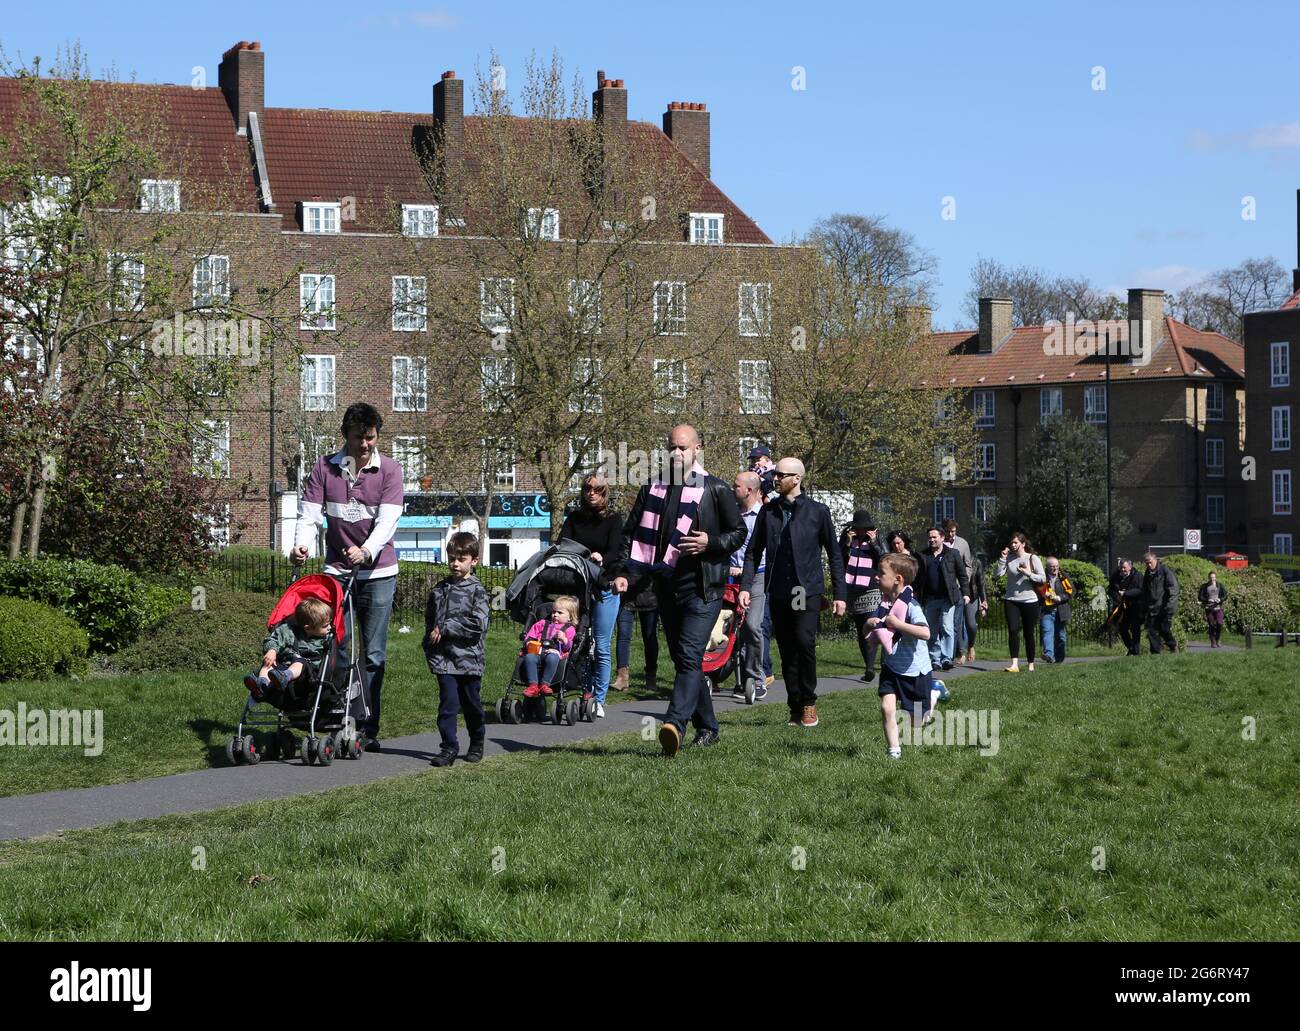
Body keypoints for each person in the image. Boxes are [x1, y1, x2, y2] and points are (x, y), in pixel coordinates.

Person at [613, 424, 745, 756]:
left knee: (688, 655)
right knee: (683, 659)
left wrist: (710, 542)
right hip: (665, 586)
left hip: (704, 588)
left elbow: (739, 532)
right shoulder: (652, 488)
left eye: (682, 448)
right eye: (670, 447)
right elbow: (631, 533)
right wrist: (624, 570)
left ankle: (674, 724)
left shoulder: (714, 488)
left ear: (697, 450)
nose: (675, 453)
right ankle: (710, 727)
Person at [291, 402, 403, 751]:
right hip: (336, 573)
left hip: (378, 572)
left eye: (370, 438)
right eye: (359, 438)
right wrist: (301, 544)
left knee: (372, 654)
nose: (365, 445)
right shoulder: (325, 468)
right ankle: (336, 715)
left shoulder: (390, 471)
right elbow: (309, 515)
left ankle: (368, 724)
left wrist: (366, 550)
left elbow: (387, 521)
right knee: (334, 646)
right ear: (346, 436)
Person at [739, 457, 847, 729]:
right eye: (774, 475)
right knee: (787, 648)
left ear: (797, 478)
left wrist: (840, 595)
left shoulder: (817, 511)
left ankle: (809, 703)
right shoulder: (769, 511)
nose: (775, 479)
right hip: (778, 589)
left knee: (804, 643)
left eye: (781, 475)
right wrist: (745, 588)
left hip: (805, 589)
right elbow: (753, 553)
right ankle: (795, 705)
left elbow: (834, 555)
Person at [558, 473, 623, 719]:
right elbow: (563, 543)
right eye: (587, 488)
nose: (591, 493)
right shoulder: (574, 518)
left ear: (605, 492)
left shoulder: (614, 519)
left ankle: (599, 697)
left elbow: (617, 549)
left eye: (597, 489)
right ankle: (580, 690)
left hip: (603, 586)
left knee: (601, 644)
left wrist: (601, 558)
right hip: (580, 587)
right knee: (577, 641)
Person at [424, 531, 491, 767]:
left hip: (469, 661)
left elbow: (478, 625)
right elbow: (430, 622)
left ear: (474, 560)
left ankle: (477, 740)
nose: (455, 563)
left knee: (471, 705)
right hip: (444, 660)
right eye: (452, 558)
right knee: (448, 705)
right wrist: (429, 646)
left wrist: (447, 627)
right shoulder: (439, 590)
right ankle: (449, 747)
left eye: (461, 559)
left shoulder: (478, 591)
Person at [866, 552, 933, 759]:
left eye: (881, 572)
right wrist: (867, 625)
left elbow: (926, 633)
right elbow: (870, 637)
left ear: (898, 579)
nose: (876, 576)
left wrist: (899, 625)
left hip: (916, 671)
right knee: (887, 707)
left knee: (917, 722)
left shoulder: (911, 606)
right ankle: (894, 751)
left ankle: (936, 692)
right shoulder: (883, 605)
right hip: (892, 668)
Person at [245, 596, 332, 707]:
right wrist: (272, 650)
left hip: (305, 673)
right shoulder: (288, 630)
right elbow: (273, 640)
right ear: (308, 628)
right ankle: (262, 685)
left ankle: (284, 677)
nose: (329, 627)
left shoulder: (325, 639)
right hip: (280, 668)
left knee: (299, 661)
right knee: (268, 664)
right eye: (325, 626)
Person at [729, 470, 769, 702]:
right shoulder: (731, 514)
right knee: (727, 630)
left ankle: (755, 677)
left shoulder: (763, 516)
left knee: (752, 626)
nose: (732, 489)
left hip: (757, 577)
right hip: (729, 577)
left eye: (736, 486)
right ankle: (731, 676)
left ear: (749, 491)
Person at [917, 526, 970, 672]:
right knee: (932, 630)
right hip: (930, 598)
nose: (932, 540)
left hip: (948, 597)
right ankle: (935, 659)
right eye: (930, 537)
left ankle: (947, 658)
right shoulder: (923, 555)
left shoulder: (952, 554)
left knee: (947, 628)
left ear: (942, 538)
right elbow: (918, 577)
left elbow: (962, 575)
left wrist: (966, 593)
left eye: (935, 537)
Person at [840, 511, 885, 683]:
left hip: (871, 589)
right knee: (861, 631)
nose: (859, 531)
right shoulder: (847, 539)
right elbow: (838, 559)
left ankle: (870, 667)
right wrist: (847, 543)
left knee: (871, 626)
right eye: (857, 528)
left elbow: (885, 559)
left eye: (862, 528)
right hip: (852, 589)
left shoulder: (876, 539)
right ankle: (869, 666)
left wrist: (874, 542)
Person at [996, 531, 1045, 672]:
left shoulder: (1032, 558)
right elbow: (998, 575)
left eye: (1016, 542)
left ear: (1023, 544)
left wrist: (1028, 573)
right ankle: (1014, 664)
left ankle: (1030, 664)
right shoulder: (1009, 558)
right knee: (1013, 630)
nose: (1013, 545)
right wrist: (1002, 558)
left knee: (1028, 632)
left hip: (1030, 600)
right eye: (1011, 542)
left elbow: (1042, 578)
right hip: (1011, 599)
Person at [520, 596, 579, 696]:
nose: (555, 615)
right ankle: (533, 685)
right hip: (537, 651)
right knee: (529, 657)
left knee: (552, 658)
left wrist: (564, 640)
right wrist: (529, 642)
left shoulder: (570, 629)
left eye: (560, 613)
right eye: (553, 612)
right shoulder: (542, 624)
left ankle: (545, 684)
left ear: (570, 617)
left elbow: (570, 647)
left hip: (555, 653)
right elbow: (530, 635)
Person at [615, 577, 659, 691]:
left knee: (650, 637)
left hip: (650, 596)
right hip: (627, 597)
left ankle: (651, 676)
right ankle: (622, 678)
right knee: (623, 635)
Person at [942, 519, 974, 662]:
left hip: (958, 588)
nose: (951, 534)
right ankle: (946, 653)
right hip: (942, 588)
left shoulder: (962, 543)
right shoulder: (940, 543)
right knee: (943, 623)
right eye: (948, 531)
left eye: (953, 532)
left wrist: (963, 580)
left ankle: (958, 652)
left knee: (957, 622)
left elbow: (968, 565)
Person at [1142, 551, 1179, 654]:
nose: (1148, 565)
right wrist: (1144, 607)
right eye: (1146, 563)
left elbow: (1173, 589)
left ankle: (1173, 645)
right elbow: (1145, 591)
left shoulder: (1164, 571)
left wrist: (1170, 606)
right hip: (1152, 608)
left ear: (1155, 560)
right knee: (1151, 632)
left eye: (1150, 562)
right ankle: (1155, 654)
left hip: (1164, 608)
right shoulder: (1147, 573)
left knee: (1164, 630)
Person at [1039, 556, 1074, 663]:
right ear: (1047, 567)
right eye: (1052, 566)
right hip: (1047, 610)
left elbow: (1072, 591)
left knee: (1060, 636)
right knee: (1047, 631)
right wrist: (1044, 593)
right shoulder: (1041, 577)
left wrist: (1061, 597)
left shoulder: (1063, 577)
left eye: (1056, 566)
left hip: (1061, 611)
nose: (1055, 569)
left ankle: (1059, 659)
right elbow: (1037, 590)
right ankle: (1048, 655)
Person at [1108, 558, 1144, 656]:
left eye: (1124, 568)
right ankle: (1131, 648)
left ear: (1130, 567)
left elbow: (1140, 590)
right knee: (1122, 628)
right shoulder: (1115, 576)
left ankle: (1136, 652)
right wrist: (1117, 597)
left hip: (1135, 606)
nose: (1122, 570)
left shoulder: (1138, 576)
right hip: (1121, 607)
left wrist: (1125, 594)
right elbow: (1110, 589)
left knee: (1135, 629)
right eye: (1121, 568)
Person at [962, 554, 988, 664]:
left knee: (971, 624)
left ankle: (971, 645)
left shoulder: (976, 562)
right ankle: (960, 652)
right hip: (956, 595)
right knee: (957, 625)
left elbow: (981, 583)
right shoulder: (951, 558)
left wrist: (984, 600)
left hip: (972, 596)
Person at [1199, 570, 1228, 648]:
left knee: (1219, 623)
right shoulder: (1204, 586)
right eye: (1211, 577)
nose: (1212, 579)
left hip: (1218, 608)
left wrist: (1220, 599)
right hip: (1209, 609)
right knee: (1211, 625)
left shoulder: (1220, 585)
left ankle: (1218, 639)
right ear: (1208, 578)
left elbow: (1225, 595)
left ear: (1216, 578)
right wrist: (1207, 600)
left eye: (1214, 577)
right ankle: (1213, 642)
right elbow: (1200, 597)